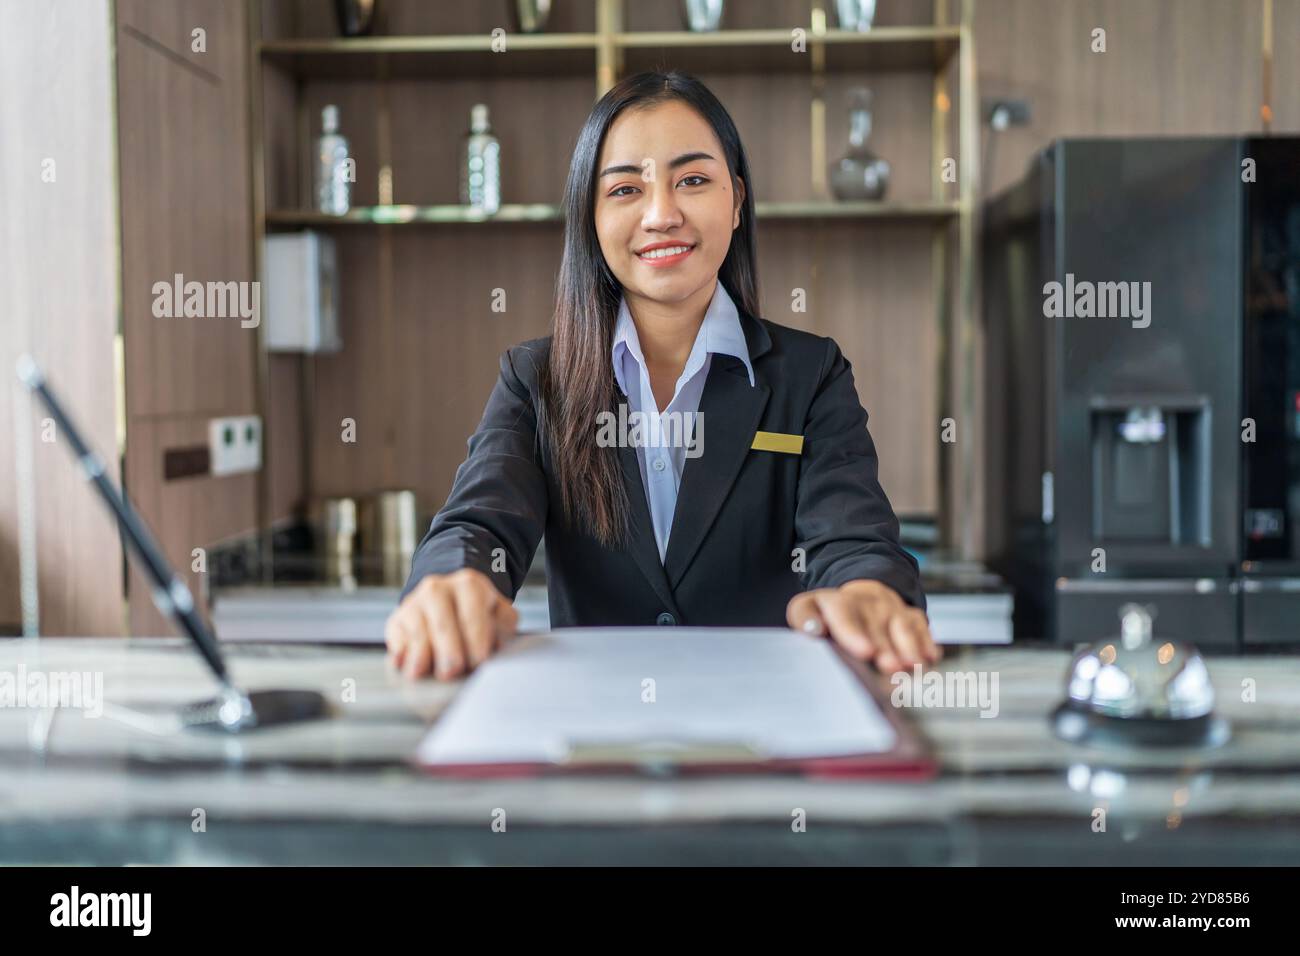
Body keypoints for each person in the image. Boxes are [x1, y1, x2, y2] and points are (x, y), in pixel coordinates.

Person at [386, 71, 938, 680]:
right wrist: (450, 582)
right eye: (625, 189)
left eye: (693, 180)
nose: (661, 214)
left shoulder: (811, 375)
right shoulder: (535, 379)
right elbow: (478, 523)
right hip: (597, 739)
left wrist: (869, 593)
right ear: (591, 218)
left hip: (763, 730)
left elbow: (854, 540)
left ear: (737, 201)